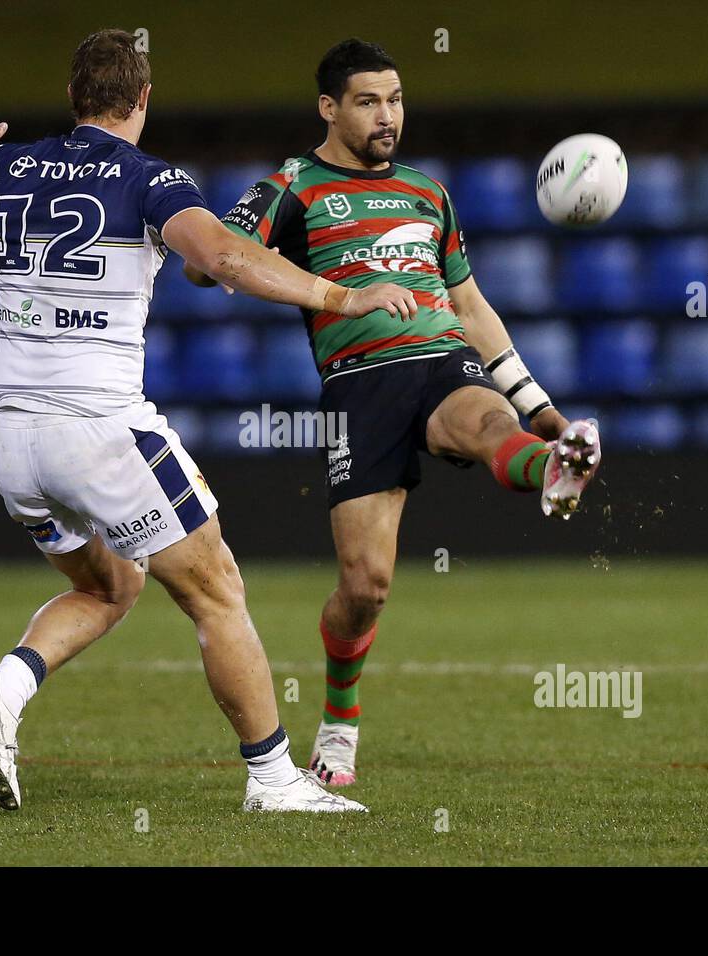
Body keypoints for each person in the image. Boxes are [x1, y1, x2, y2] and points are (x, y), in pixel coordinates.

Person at [0, 29, 419, 813]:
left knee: (112, 587)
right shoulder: (150, 179)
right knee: (218, 591)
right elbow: (227, 257)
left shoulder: (4, 165)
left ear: (74, 100)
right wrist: (345, 295)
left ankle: (1, 693)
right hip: (101, 430)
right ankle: (275, 781)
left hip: (10, 440)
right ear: (142, 100)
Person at [188, 38, 601, 787]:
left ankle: (554, 463)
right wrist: (322, 284)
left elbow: (469, 306)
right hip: (358, 384)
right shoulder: (292, 186)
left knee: (485, 424)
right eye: (370, 101)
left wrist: (537, 403)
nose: (388, 116)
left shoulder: (426, 191)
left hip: (440, 356)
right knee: (365, 585)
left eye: (397, 99)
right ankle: (340, 729)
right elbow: (204, 262)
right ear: (330, 107)